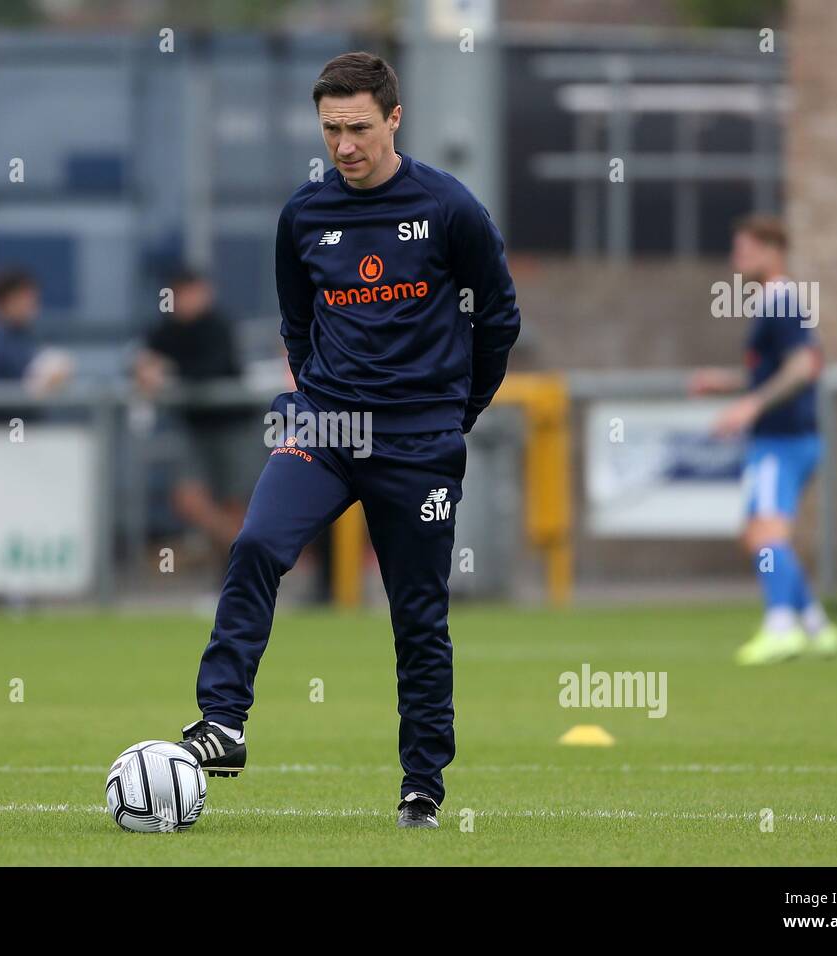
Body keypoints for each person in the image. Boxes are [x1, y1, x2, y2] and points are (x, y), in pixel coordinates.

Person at [174, 53, 521, 829]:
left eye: (359, 127)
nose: (345, 145)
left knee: (417, 616)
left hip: (420, 438)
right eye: (331, 130)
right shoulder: (302, 214)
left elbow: (499, 318)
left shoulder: (449, 208)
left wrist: (454, 413)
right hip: (326, 424)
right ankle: (223, 722)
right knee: (258, 543)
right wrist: (316, 395)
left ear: (394, 118)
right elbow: (297, 325)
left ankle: (421, 787)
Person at [691, 213, 837, 665]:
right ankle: (815, 625)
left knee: (765, 534)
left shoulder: (782, 301)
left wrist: (750, 406)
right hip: (785, 438)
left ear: (772, 251)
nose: (738, 257)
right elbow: (773, 372)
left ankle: (781, 626)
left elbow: (804, 366)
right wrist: (730, 384)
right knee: (759, 534)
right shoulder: (770, 302)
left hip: (783, 440)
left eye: (746, 248)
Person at [134, 268, 253, 555]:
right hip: (195, 430)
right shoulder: (167, 329)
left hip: (233, 428)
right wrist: (144, 368)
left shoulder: (219, 325)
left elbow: (212, 368)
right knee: (189, 500)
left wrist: (168, 372)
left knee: (234, 503)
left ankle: (238, 573)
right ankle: (254, 552)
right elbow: (141, 358)